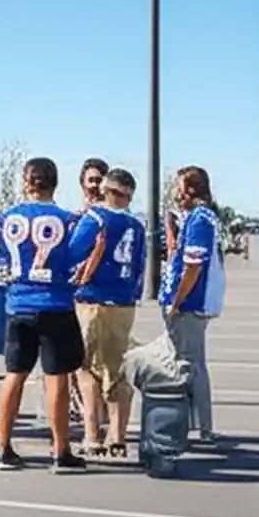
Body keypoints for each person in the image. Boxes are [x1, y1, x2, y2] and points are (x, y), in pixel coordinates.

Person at [0, 157, 86, 473]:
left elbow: (0, 260)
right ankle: (60, 449)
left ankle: (3, 447)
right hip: (55, 302)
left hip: (19, 302)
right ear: (55, 182)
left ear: (26, 181)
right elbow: (74, 260)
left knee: (14, 373)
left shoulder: (6, 219)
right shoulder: (68, 220)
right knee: (56, 375)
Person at [68, 168, 146, 459]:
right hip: (124, 303)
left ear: (106, 190)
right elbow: (140, 266)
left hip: (93, 299)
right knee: (118, 369)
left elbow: (72, 253)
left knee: (86, 368)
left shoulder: (96, 219)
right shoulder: (136, 226)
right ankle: (118, 435)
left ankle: (92, 434)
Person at [160, 165, 226, 444]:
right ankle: (194, 424)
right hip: (190, 301)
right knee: (189, 362)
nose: (176, 194)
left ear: (192, 190)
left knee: (189, 364)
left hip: (190, 303)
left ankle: (201, 426)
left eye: (179, 187)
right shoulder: (197, 218)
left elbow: (193, 266)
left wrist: (177, 301)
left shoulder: (199, 219)